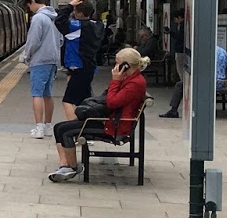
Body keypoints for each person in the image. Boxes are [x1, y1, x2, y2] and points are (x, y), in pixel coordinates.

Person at [48, 47, 150, 183]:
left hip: (115, 127)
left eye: (117, 63)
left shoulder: (135, 83)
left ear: (126, 66)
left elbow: (112, 102)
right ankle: (65, 165)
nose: (115, 67)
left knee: (64, 130)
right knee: (59, 127)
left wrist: (115, 80)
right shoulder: (130, 78)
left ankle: (71, 168)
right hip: (110, 120)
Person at [19, 0, 62, 139]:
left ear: (32, 2)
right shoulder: (54, 17)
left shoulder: (38, 18)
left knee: (36, 93)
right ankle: (48, 126)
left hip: (40, 60)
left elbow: (33, 41)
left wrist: (26, 56)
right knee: (48, 94)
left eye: (29, 6)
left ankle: (39, 128)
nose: (29, 9)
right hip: (52, 60)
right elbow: (61, 39)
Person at [59, 0, 102, 120]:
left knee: (67, 101)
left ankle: (75, 129)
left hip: (78, 67)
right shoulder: (98, 25)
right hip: (89, 67)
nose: (74, 13)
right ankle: (89, 126)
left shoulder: (77, 27)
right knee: (85, 102)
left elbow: (59, 21)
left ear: (81, 14)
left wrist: (70, 5)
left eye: (75, 11)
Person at [159, 44, 227, 117]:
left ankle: (173, 110)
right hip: (220, 82)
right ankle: (174, 110)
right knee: (183, 84)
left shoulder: (206, 52)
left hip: (209, 82)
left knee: (180, 85)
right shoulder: (223, 52)